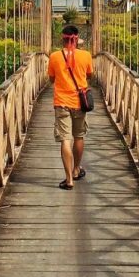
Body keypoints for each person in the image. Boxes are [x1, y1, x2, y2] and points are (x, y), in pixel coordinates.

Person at [47, 23, 93, 189]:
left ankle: (69, 180)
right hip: (80, 103)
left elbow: (51, 79)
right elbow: (89, 75)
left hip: (61, 103)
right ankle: (76, 170)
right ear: (77, 39)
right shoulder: (86, 55)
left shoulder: (54, 57)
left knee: (65, 139)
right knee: (79, 136)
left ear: (62, 38)